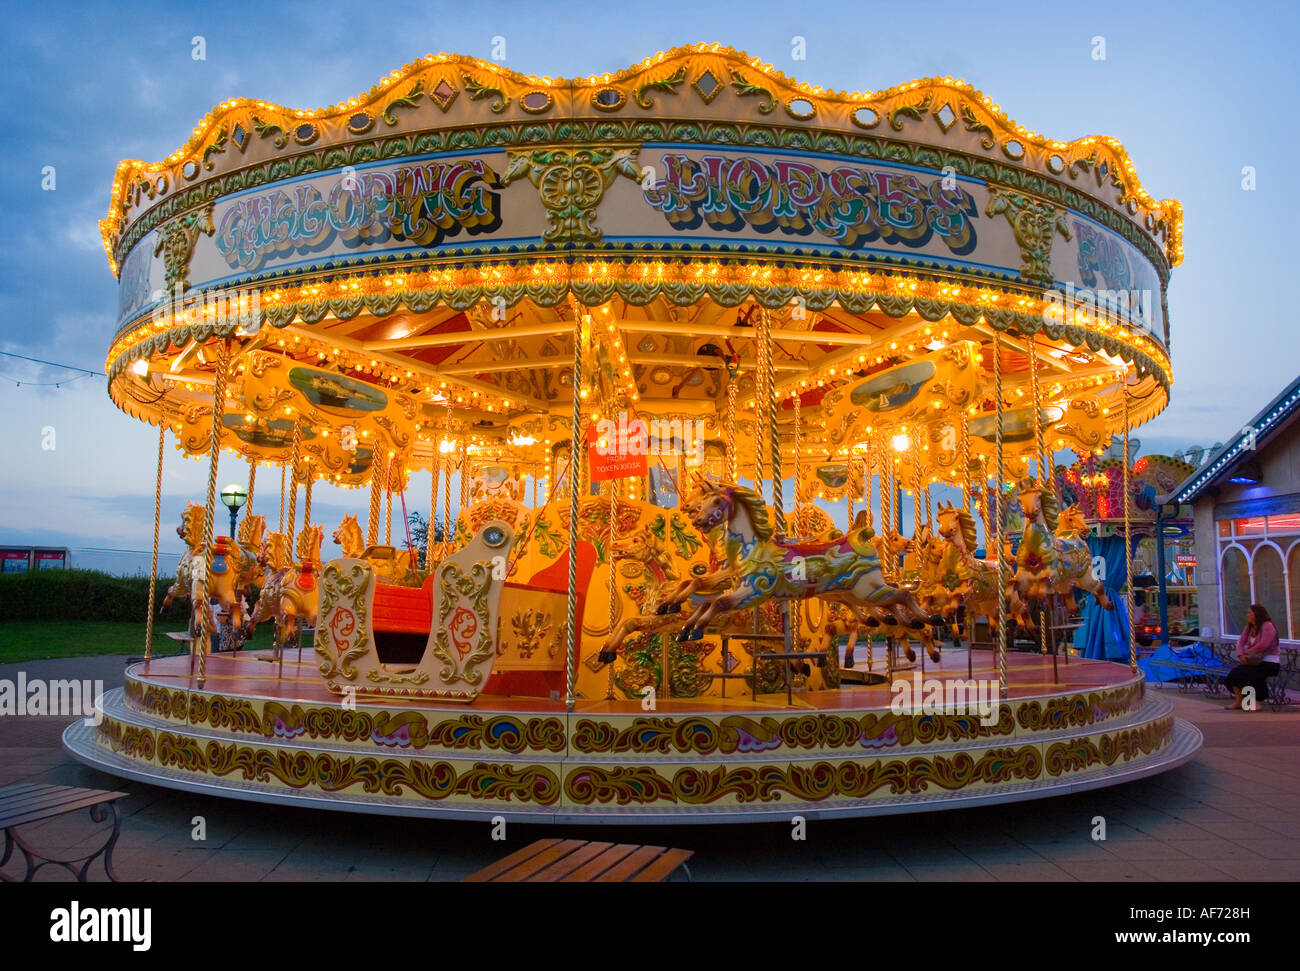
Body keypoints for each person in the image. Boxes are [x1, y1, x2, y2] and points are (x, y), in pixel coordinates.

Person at [1223, 604, 1281, 710]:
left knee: (1248, 675)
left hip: (1269, 662)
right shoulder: (1249, 627)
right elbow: (1240, 642)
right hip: (1253, 661)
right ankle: (1239, 701)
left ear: (1257, 614)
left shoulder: (1267, 626)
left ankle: (1255, 702)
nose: (1247, 615)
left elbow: (1263, 644)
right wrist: (1241, 654)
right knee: (1235, 674)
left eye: (1250, 612)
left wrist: (1247, 653)